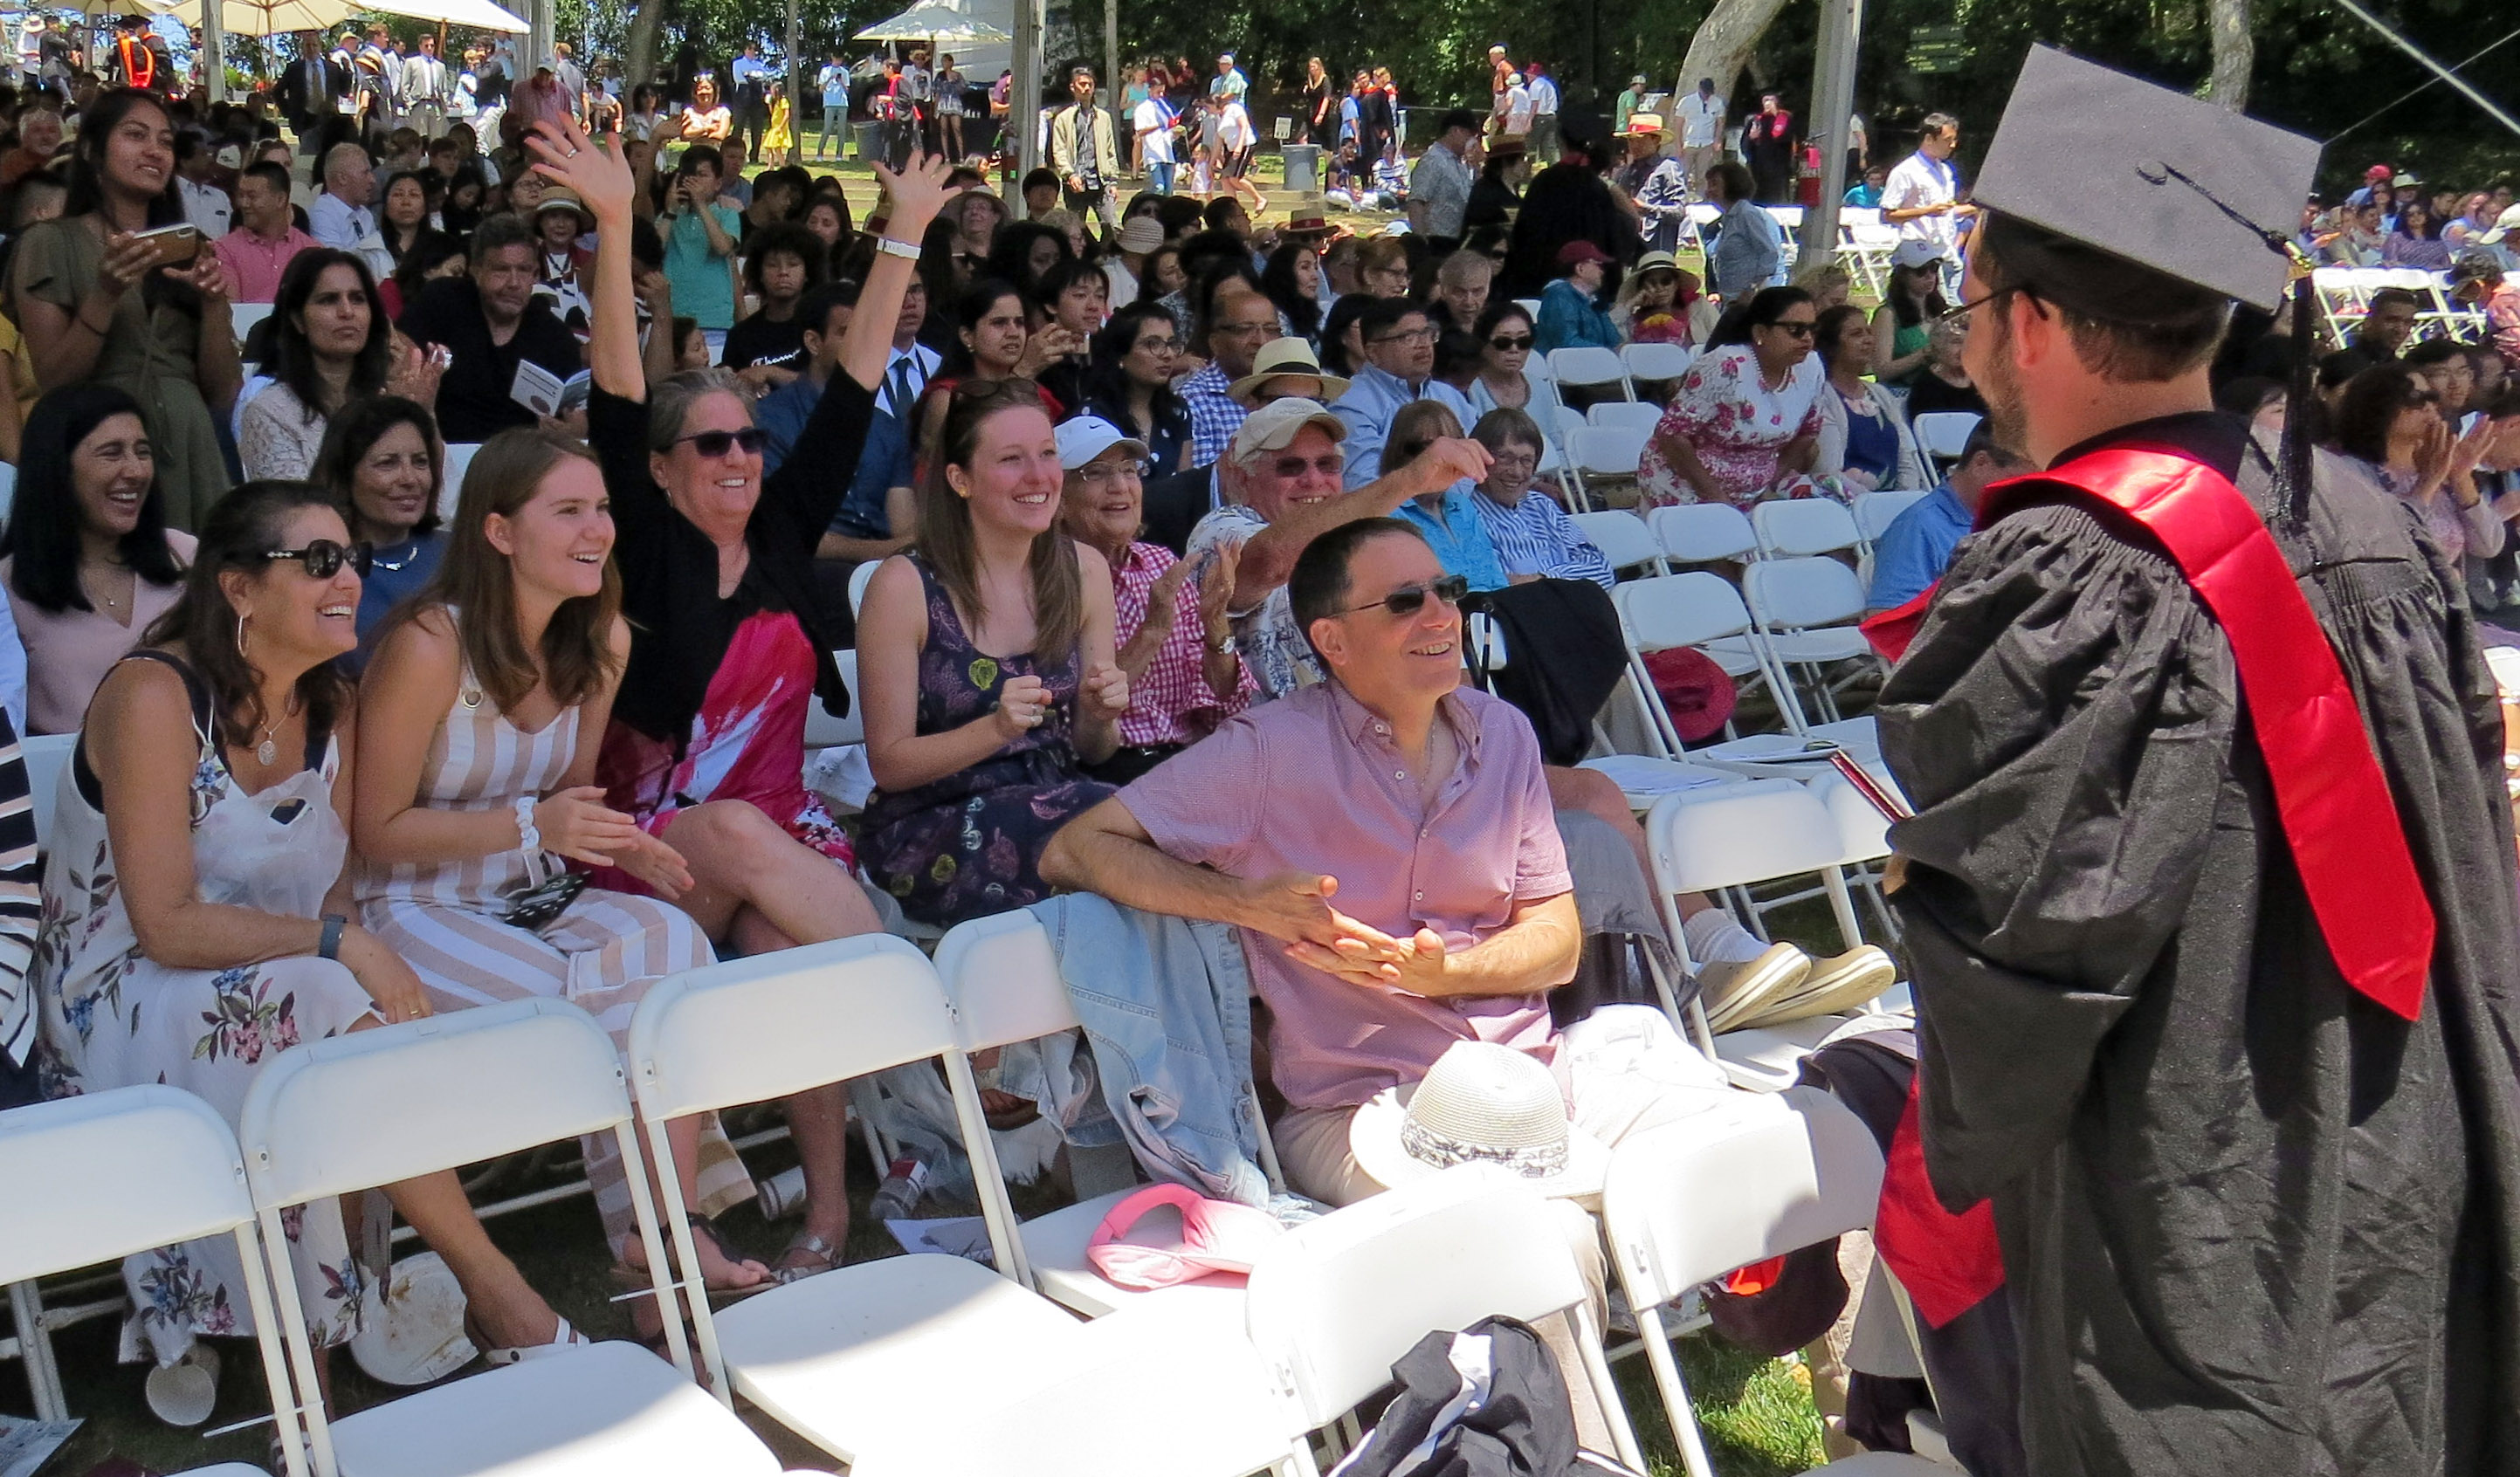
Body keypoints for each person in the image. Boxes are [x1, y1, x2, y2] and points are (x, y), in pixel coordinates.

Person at [1871, 49, 2520, 1474]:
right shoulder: (2368, 515)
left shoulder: (2063, 570)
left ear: (2031, 320)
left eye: (1974, 307)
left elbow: (2027, 956)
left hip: (2203, 1193)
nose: (1967, 344)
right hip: (2418, 1116)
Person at [33, 477, 596, 1375]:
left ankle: (322, 1359)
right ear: (240, 588)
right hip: (116, 993)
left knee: (331, 1011)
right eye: (321, 561)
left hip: (279, 975)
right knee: (331, 995)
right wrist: (342, 947)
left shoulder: (334, 702)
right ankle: (493, 1299)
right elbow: (166, 927)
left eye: (356, 560)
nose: (348, 581)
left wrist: (337, 943)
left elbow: (334, 889)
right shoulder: (154, 699)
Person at [852, 378, 1130, 924]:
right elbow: (889, 765)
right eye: (1011, 459)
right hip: (933, 826)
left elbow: (1093, 749)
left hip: (1059, 804)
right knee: (1113, 831)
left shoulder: (1084, 571)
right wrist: (996, 730)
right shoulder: (904, 587)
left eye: (1048, 454)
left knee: (1155, 821)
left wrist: (1099, 715)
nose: (1039, 476)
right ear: (960, 479)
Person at [14, 88, 240, 533]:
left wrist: (214, 306)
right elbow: (54, 380)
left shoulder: (187, 248)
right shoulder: (50, 243)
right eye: (136, 136)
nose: (155, 151)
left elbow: (223, 392)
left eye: (165, 142)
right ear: (92, 150)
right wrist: (105, 293)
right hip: (101, 445)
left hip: (189, 442)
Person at [1186, 396, 1491, 698]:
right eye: (1291, 467)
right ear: (1242, 477)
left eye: (1327, 465)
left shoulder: (1368, 538)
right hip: (1277, 736)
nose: (1314, 480)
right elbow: (1272, 560)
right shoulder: (1221, 527)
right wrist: (1411, 479)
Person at [1054, 415, 1249, 783]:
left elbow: (1221, 707)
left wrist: (1215, 626)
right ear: (1059, 499)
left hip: (1188, 761)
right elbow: (1081, 724)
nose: (1120, 486)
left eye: (1129, 470)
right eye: (1095, 473)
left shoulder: (1162, 563)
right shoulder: (1049, 581)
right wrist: (1152, 632)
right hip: (1105, 773)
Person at [0, 386, 189, 734]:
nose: (135, 470)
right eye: (111, 453)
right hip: (62, 780)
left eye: (142, 451)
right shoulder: (9, 587)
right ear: (58, 467)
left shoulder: (185, 556)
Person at [396, 212, 582, 443]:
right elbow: (399, 354)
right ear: (476, 271)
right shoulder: (442, 300)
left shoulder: (554, 336)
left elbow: (577, 415)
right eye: (501, 270)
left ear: (535, 275)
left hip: (519, 462)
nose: (514, 283)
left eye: (524, 270)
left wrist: (571, 431)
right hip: (439, 449)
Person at [1637, 285, 1826, 509]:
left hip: (1751, 493)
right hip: (1683, 485)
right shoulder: (1725, 366)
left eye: (1812, 330)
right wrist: (1718, 500)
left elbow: (1809, 431)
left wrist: (1770, 479)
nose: (1807, 339)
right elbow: (1671, 434)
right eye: (1795, 329)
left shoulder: (1811, 367)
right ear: (1760, 333)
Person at [239, 250, 405, 481]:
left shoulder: (389, 400)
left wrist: (419, 411)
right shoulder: (271, 411)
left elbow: (444, 504)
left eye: (358, 299)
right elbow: (294, 510)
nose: (347, 312)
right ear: (298, 320)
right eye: (328, 300)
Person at [311, 393, 445, 655]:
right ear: (345, 474)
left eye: (420, 462)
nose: (410, 479)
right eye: (388, 463)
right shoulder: (321, 567)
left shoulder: (458, 554)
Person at [2331, 363, 2503, 563]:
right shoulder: (2350, 472)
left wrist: (2461, 478)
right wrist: (2427, 484)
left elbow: (2488, 546)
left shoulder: (2437, 464)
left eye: (2431, 397)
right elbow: (2386, 545)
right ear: (2377, 407)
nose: (2429, 407)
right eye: (2415, 399)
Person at [1863, 423, 2028, 611]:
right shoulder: (1918, 527)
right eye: (2019, 481)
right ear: (1981, 463)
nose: (2027, 492)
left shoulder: (2018, 519)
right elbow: (1888, 626)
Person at [1332, 299, 1477, 487]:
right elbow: (1363, 483)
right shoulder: (1351, 403)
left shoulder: (1450, 396)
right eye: (1408, 337)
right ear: (1373, 352)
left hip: (1460, 512)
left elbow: (1480, 461)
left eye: (1426, 333)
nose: (1424, 344)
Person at [1467, 407, 1612, 587]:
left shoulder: (1542, 506)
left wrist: (1541, 579)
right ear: (1480, 460)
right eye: (1505, 458)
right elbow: (1502, 589)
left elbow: (1602, 570)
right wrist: (1570, 581)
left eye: (1526, 460)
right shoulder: (1468, 519)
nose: (1517, 471)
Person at [1381, 401, 1509, 591]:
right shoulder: (1388, 515)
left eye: (1454, 448)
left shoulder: (1462, 506)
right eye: (1425, 449)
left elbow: (1497, 579)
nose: (1442, 459)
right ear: (1399, 452)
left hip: (1491, 611)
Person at [1812, 303, 1927, 492]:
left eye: (1869, 332)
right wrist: (1870, 506)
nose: (1868, 340)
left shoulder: (1880, 394)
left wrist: (1906, 496)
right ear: (1831, 346)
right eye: (1856, 334)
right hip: (1848, 502)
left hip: (1893, 501)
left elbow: (1905, 457)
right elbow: (1828, 470)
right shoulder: (1822, 398)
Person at [1176, 279, 1281, 465]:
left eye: (1271, 329)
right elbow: (1205, 484)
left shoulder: (1289, 387)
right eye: (1245, 330)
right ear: (1215, 342)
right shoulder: (1194, 399)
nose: (1261, 340)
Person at [1084, 302, 1192, 475]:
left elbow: (1185, 482)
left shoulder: (1177, 411)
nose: (1168, 354)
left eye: (1171, 343)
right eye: (1153, 344)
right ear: (1121, 355)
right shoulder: (1092, 418)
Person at [658, 144, 740, 359]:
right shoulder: (670, 217)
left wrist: (701, 205)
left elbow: (723, 247)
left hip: (714, 321)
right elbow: (653, 254)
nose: (693, 181)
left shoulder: (727, 216)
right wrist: (670, 212)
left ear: (718, 184)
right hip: (673, 319)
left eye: (702, 175)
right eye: (689, 175)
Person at [721, 219, 823, 383]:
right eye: (772, 265)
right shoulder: (741, 335)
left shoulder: (822, 328)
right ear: (759, 274)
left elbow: (826, 387)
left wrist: (770, 373)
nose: (783, 272)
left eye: (793, 264)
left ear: (807, 273)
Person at [213, 158, 319, 305]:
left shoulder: (312, 251)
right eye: (241, 196)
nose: (243, 204)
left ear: (280, 199)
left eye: (252, 196)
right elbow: (231, 310)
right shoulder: (223, 249)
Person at [1879, 112, 1965, 275]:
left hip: (1945, 251)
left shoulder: (1945, 171)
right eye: (1947, 140)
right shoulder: (1905, 171)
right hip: (1916, 253)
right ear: (1928, 139)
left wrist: (1974, 209)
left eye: (1954, 140)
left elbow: (1946, 211)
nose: (1953, 145)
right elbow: (1887, 215)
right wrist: (1926, 211)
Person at [1465, 300, 1566, 427]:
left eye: (1523, 341)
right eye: (1503, 342)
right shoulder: (1469, 390)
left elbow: (1554, 440)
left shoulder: (1541, 388)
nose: (1514, 349)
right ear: (1483, 343)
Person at [1050, 65, 1119, 233]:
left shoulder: (1103, 118)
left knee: (1112, 228)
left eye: (1090, 84)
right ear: (1073, 87)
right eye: (1082, 84)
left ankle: (1105, 257)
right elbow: (1059, 150)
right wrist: (1069, 173)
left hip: (1100, 181)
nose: (1086, 88)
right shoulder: (1064, 118)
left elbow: (1111, 151)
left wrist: (1113, 181)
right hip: (1076, 182)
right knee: (1073, 229)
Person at [1703, 161, 1783, 302]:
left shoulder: (1747, 214)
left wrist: (1752, 288)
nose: (1708, 191)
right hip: (1730, 299)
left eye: (1714, 184)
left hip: (1747, 301)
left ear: (1732, 184)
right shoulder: (1728, 217)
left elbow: (1769, 253)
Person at [1869, 241, 1948, 384]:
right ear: (1902, 275)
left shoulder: (1939, 312)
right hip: (1900, 395)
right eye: (1921, 271)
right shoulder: (1887, 315)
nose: (1930, 276)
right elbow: (1882, 371)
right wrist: (1924, 354)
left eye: (1934, 268)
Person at [1614, 113, 1689, 253]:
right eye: (1631, 140)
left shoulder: (1668, 168)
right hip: (1628, 249)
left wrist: (1647, 209)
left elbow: (1679, 211)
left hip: (1656, 251)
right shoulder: (1625, 173)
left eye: (1641, 140)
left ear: (1656, 140)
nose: (1635, 145)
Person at [1407, 110, 1478, 253]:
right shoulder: (1433, 161)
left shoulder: (1460, 164)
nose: (1472, 141)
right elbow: (1417, 201)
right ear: (1456, 131)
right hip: (1437, 240)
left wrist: (1477, 165)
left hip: (1458, 240)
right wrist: (1422, 243)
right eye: (1469, 136)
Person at [1534, 240, 1620, 354]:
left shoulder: (1594, 301)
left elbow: (1614, 340)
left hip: (1594, 364)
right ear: (1580, 268)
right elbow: (1567, 343)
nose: (1602, 272)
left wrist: (1618, 349)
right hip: (1564, 368)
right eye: (1598, 264)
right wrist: (1609, 352)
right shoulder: (1559, 296)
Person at [1612, 251, 1712, 347]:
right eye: (1652, 283)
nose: (1660, 288)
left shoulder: (1698, 306)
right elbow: (1610, 334)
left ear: (1676, 284)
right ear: (1642, 287)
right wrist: (1630, 305)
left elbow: (1721, 337)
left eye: (1666, 281)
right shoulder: (1632, 319)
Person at [2450, 251, 2520, 368]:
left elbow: (2514, 342)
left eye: (2466, 292)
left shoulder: (2499, 305)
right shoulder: (2516, 294)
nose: (2469, 299)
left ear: (2478, 285)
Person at [307, 141, 375, 251]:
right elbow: (335, 261)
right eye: (365, 173)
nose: (372, 180)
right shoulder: (322, 214)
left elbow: (378, 258)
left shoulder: (365, 214)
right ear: (342, 178)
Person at [1741, 92, 1795, 204]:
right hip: (1758, 167)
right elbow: (1745, 145)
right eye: (1766, 100)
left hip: (1778, 166)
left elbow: (1788, 140)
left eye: (1771, 100)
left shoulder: (1785, 119)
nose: (1768, 103)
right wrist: (1751, 138)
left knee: (1776, 200)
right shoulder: (1755, 120)